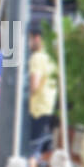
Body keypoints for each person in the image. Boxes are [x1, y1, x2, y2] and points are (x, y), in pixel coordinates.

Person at [26, 24, 57, 156]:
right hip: (48, 108)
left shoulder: (37, 57)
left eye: (29, 39)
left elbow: (34, 85)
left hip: (36, 110)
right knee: (38, 150)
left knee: (31, 152)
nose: (28, 43)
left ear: (36, 38)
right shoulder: (51, 57)